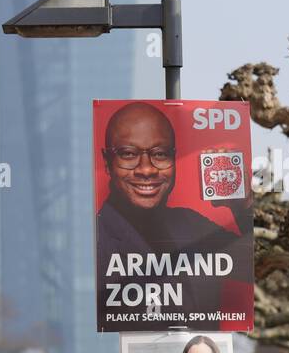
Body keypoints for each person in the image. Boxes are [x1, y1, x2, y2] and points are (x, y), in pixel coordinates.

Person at [96, 102, 251, 325]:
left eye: (160, 154)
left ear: (173, 159)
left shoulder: (191, 224)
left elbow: (256, 267)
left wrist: (242, 205)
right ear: (107, 162)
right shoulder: (95, 239)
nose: (146, 169)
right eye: (128, 154)